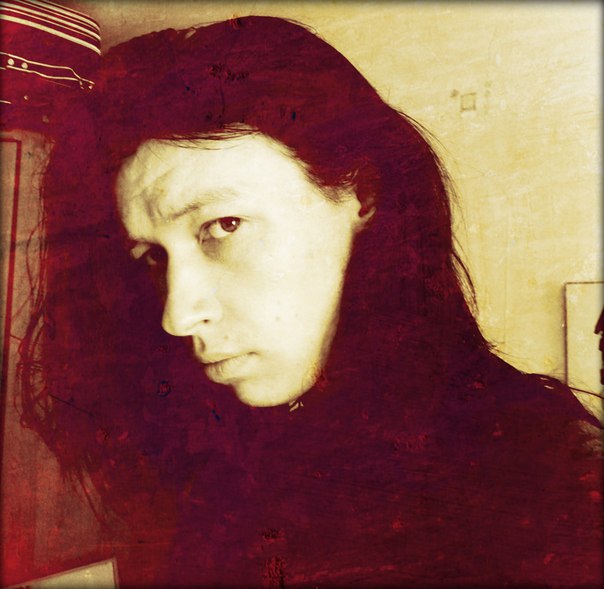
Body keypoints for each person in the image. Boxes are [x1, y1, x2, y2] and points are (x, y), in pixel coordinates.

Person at [18, 16, 602, 588]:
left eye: (223, 225)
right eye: (152, 255)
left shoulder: (542, 486)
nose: (177, 315)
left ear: (361, 193)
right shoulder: (213, 455)